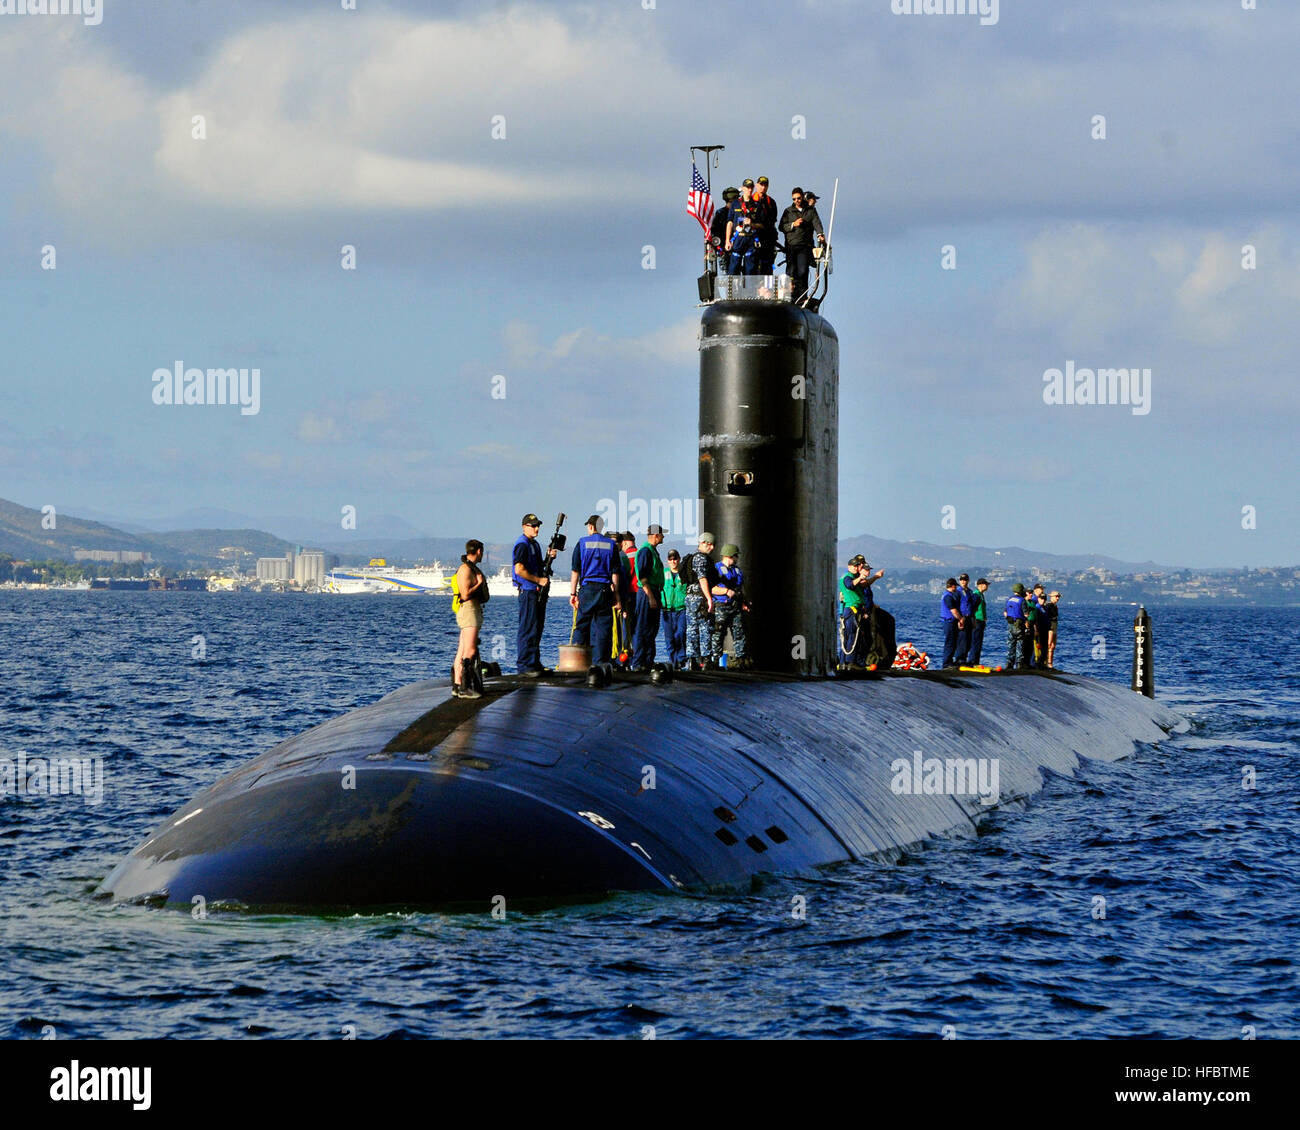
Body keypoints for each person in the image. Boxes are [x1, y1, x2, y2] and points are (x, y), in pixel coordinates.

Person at [569, 515, 622, 662]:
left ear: (591, 527)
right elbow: (615, 574)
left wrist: (573, 593)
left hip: (587, 589)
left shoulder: (581, 543)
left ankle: (577, 662)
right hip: (604, 590)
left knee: (581, 626)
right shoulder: (611, 545)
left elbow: (575, 571)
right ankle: (600, 663)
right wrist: (616, 596)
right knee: (604, 628)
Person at [512, 512, 556, 676]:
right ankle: (525, 665)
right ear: (525, 527)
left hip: (536, 591)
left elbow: (539, 566)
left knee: (536, 627)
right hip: (529, 591)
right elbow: (519, 569)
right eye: (533, 526)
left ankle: (534, 662)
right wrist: (538, 580)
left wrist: (549, 557)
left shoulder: (534, 544)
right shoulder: (522, 544)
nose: (537, 528)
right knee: (528, 628)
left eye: (538, 525)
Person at [452, 539, 488, 698]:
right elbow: (465, 594)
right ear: (479, 551)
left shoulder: (469, 568)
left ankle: (457, 683)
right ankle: (466, 687)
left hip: (471, 610)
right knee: (470, 649)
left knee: (462, 649)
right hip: (468, 610)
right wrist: (478, 583)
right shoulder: (466, 569)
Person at [838, 553, 884, 668]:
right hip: (851, 610)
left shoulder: (855, 578)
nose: (856, 567)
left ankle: (845, 662)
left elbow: (864, 585)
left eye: (857, 566)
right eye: (854, 566)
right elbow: (850, 585)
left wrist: (876, 577)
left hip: (856, 610)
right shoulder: (847, 577)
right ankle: (850, 662)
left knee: (851, 636)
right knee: (852, 637)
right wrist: (860, 577)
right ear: (849, 567)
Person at [779, 187, 825, 300]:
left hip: (804, 245)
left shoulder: (810, 211)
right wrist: (793, 224)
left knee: (803, 271)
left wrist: (820, 234)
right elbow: (781, 227)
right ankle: (789, 295)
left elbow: (816, 223)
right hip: (791, 245)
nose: (796, 201)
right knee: (791, 271)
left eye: (798, 198)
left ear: (802, 197)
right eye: (794, 199)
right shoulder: (788, 211)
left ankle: (802, 296)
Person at [632, 525, 666, 671]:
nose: (663, 537)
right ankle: (639, 662)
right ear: (656, 536)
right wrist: (651, 596)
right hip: (647, 594)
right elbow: (643, 576)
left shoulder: (653, 552)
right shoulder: (645, 551)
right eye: (662, 535)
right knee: (643, 628)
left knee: (652, 629)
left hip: (654, 593)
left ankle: (648, 660)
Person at [711, 543, 749, 668]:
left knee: (739, 633)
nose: (737, 558)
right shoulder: (715, 569)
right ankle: (715, 660)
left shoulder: (737, 570)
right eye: (736, 556)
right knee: (718, 633)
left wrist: (744, 602)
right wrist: (726, 591)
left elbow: (740, 588)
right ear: (730, 556)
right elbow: (711, 589)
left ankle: (740, 660)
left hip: (735, 606)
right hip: (721, 605)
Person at [684, 532, 717, 670]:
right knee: (705, 627)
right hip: (699, 596)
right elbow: (702, 579)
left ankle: (693, 660)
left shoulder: (692, 558)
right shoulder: (701, 559)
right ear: (703, 543)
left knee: (692, 628)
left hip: (690, 596)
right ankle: (706, 659)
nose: (712, 548)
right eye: (709, 544)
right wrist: (709, 598)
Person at [725, 180, 759, 275]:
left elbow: (762, 224)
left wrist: (752, 223)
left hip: (751, 238)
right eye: (747, 187)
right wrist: (727, 240)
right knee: (733, 268)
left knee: (750, 270)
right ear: (743, 188)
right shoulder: (736, 204)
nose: (749, 189)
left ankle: (749, 289)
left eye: (751, 187)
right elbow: (730, 222)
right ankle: (733, 289)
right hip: (738, 238)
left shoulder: (756, 204)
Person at [661, 549, 688, 668]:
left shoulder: (684, 574)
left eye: (675, 559)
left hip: (681, 609)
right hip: (667, 610)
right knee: (669, 638)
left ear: (679, 559)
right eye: (671, 559)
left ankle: (681, 659)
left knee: (680, 634)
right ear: (668, 561)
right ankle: (673, 661)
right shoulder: (663, 573)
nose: (673, 561)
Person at [751, 175, 779, 274]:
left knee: (767, 266)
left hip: (768, 239)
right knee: (753, 265)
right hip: (753, 238)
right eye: (761, 185)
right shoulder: (750, 200)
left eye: (765, 185)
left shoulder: (771, 202)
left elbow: (773, 221)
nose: (763, 187)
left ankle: (767, 288)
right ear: (756, 185)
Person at [1004, 582, 1032, 670]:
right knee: (1019, 643)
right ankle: (1019, 663)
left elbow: (1005, 612)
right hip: (1019, 625)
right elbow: (1026, 615)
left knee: (1010, 643)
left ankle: (1009, 663)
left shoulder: (1009, 599)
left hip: (1010, 624)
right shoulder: (1022, 600)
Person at [711, 187, 738, 269]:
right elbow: (715, 231)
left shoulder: (740, 212)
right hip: (725, 248)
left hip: (738, 246)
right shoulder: (721, 213)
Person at [939, 578, 962, 668]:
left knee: (952, 642)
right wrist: (961, 619)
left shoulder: (946, 595)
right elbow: (953, 610)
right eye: (955, 586)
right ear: (952, 586)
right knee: (950, 642)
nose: (956, 588)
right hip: (949, 622)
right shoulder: (948, 596)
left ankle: (949, 661)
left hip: (950, 621)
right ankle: (947, 663)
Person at [953, 574, 975, 665]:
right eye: (962, 580)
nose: (963, 581)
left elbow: (972, 605)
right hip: (962, 617)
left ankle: (964, 657)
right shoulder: (958, 591)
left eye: (965, 580)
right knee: (962, 639)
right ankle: (959, 659)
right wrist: (959, 619)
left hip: (969, 617)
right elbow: (956, 605)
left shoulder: (970, 591)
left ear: (968, 581)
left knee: (968, 639)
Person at [1030, 584, 1051, 669]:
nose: (1042, 590)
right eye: (1040, 589)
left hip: (1044, 628)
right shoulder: (1035, 603)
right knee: (1036, 647)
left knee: (1042, 647)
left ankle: (1041, 663)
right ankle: (1034, 663)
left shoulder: (1043, 606)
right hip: (1038, 628)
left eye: (1042, 589)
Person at [969, 578, 989, 665]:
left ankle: (976, 661)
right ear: (980, 585)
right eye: (986, 584)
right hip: (977, 621)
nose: (987, 586)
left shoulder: (981, 595)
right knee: (975, 641)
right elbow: (972, 608)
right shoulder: (976, 595)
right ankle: (972, 661)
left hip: (981, 621)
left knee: (979, 642)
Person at [1045, 590, 1061, 668]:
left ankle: (1050, 663)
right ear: (1052, 597)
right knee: (1049, 645)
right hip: (1050, 627)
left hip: (1054, 626)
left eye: (1058, 597)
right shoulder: (1048, 606)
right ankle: (1047, 663)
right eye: (1056, 597)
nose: (1057, 598)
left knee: (1052, 646)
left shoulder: (1055, 606)